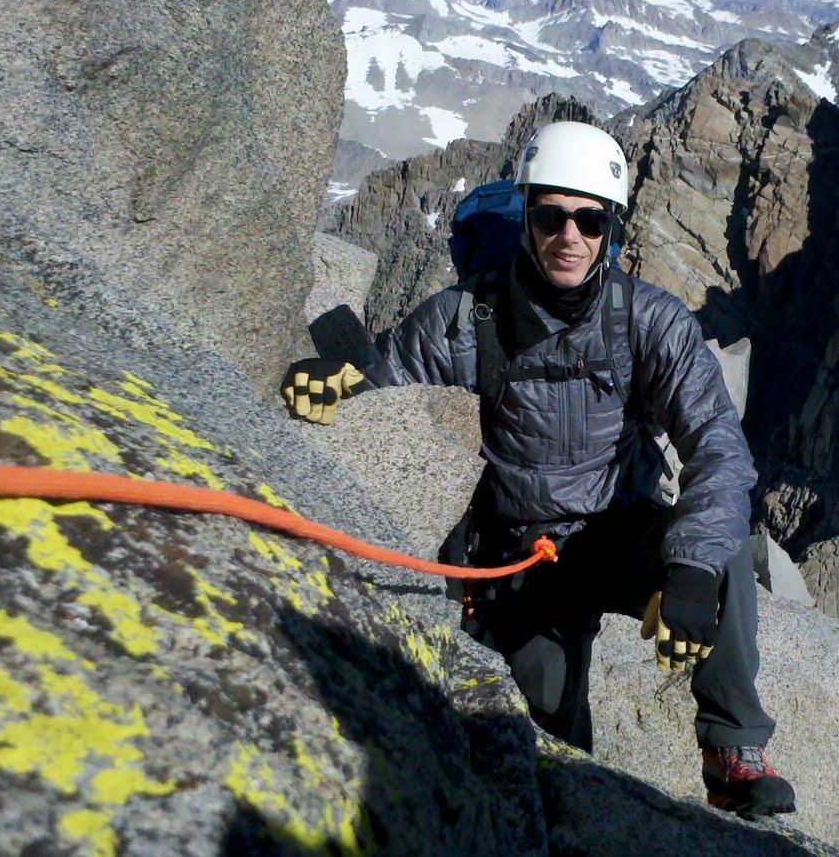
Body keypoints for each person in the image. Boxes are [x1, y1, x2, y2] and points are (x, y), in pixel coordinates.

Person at [283, 121, 795, 818]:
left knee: (726, 546)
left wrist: (690, 568)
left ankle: (733, 747)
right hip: (517, 563)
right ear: (528, 217)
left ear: (610, 228)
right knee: (548, 753)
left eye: (589, 219)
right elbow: (390, 392)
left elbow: (718, 449)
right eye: (552, 215)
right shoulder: (465, 319)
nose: (570, 235)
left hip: (614, 539)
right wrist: (340, 382)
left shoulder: (649, 322)